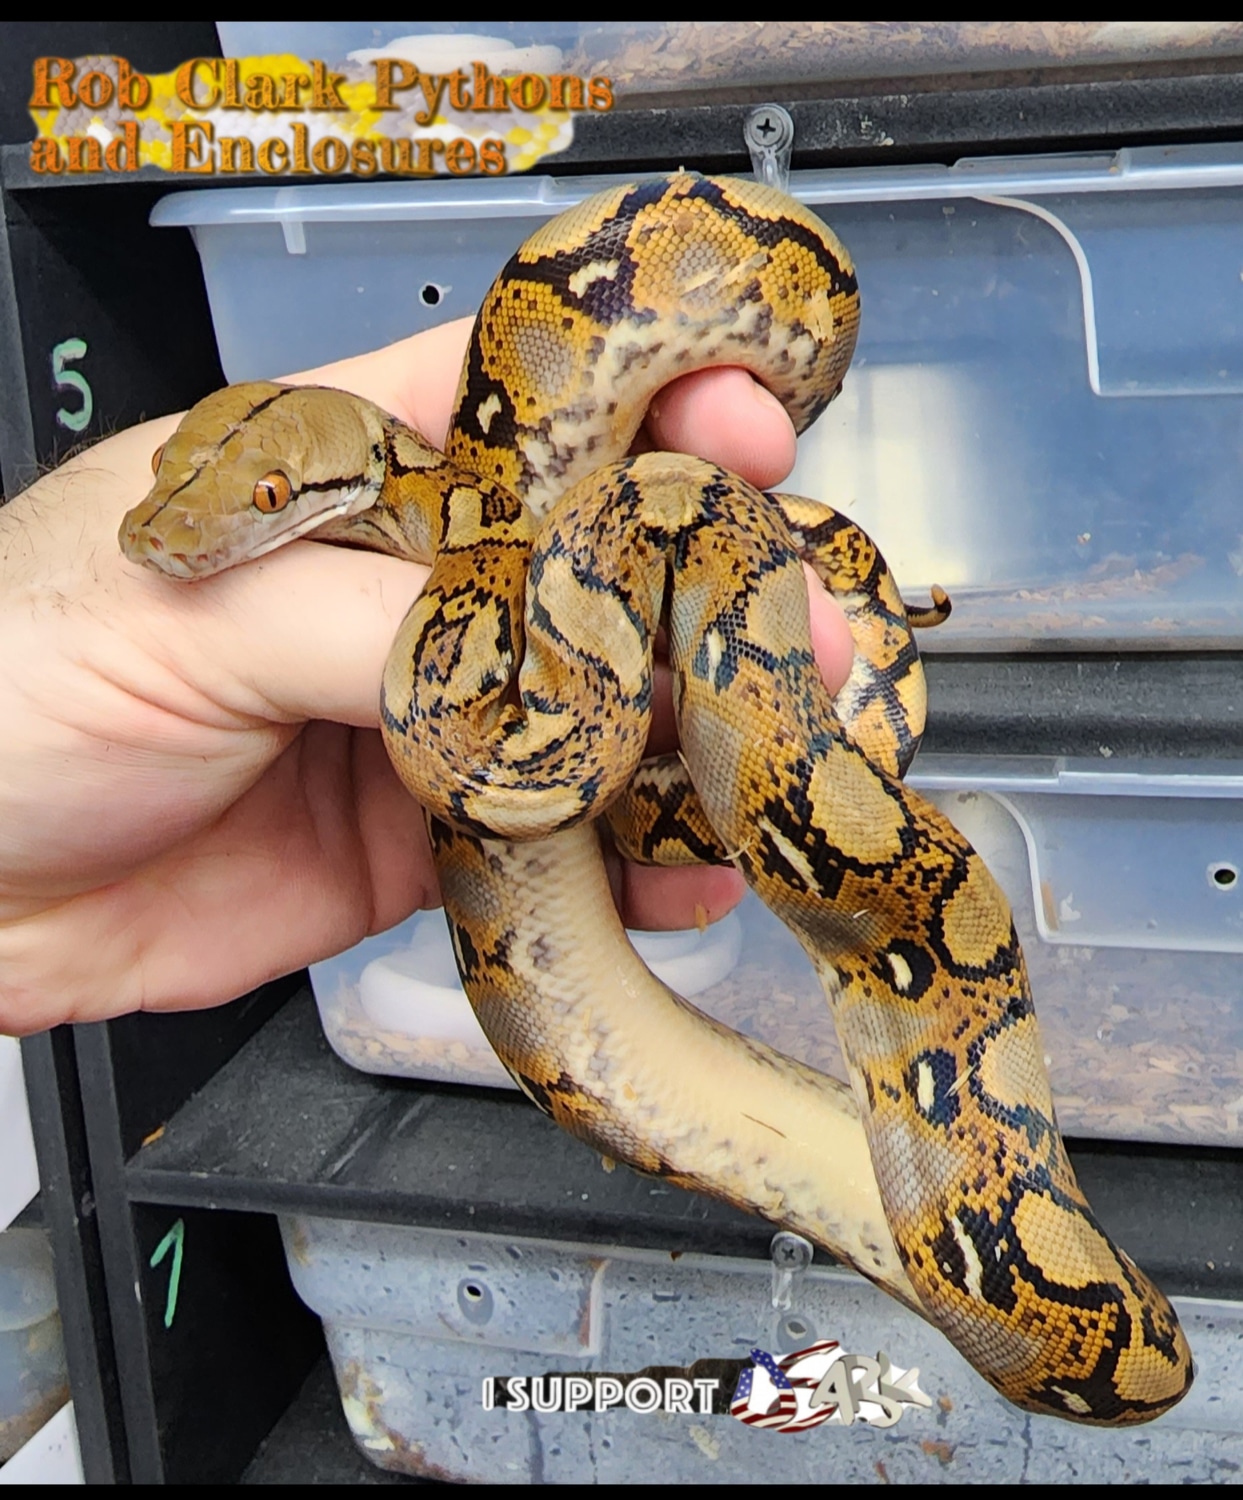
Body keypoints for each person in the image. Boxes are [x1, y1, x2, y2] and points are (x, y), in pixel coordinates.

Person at [0, 319, 854, 1035]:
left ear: (357, 478)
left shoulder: (445, 508)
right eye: (167, 468)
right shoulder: (426, 506)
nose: (162, 534)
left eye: (266, 497)